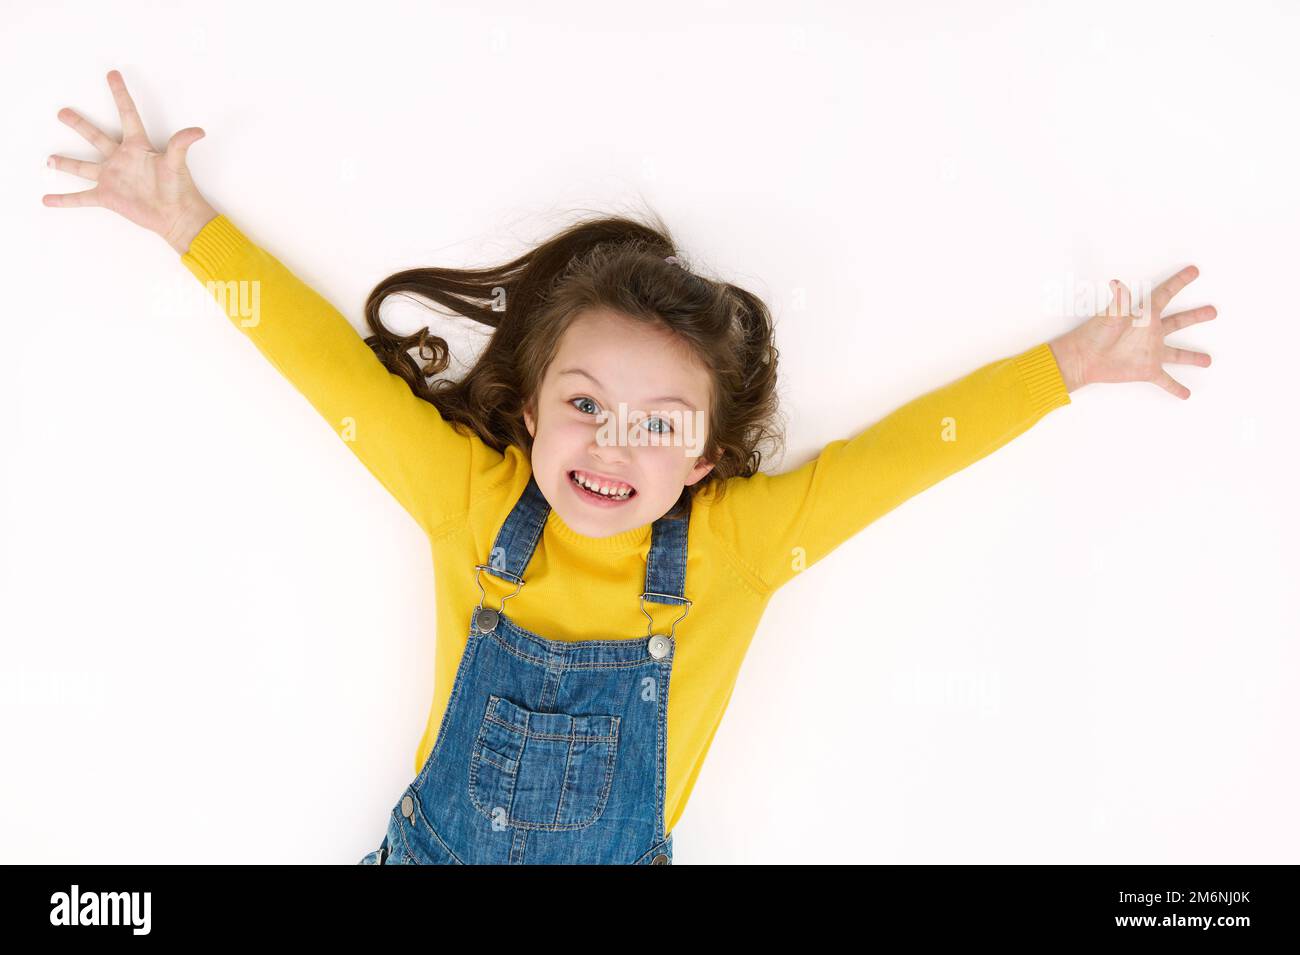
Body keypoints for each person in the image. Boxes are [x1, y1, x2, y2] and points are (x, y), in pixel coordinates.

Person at [44, 70, 1218, 865]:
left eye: (658, 423)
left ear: (705, 458)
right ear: (530, 408)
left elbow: (911, 453)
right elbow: (324, 373)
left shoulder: (738, 546)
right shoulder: (470, 498)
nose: (613, 445)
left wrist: (1073, 361)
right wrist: (182, 220)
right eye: (585, 405)